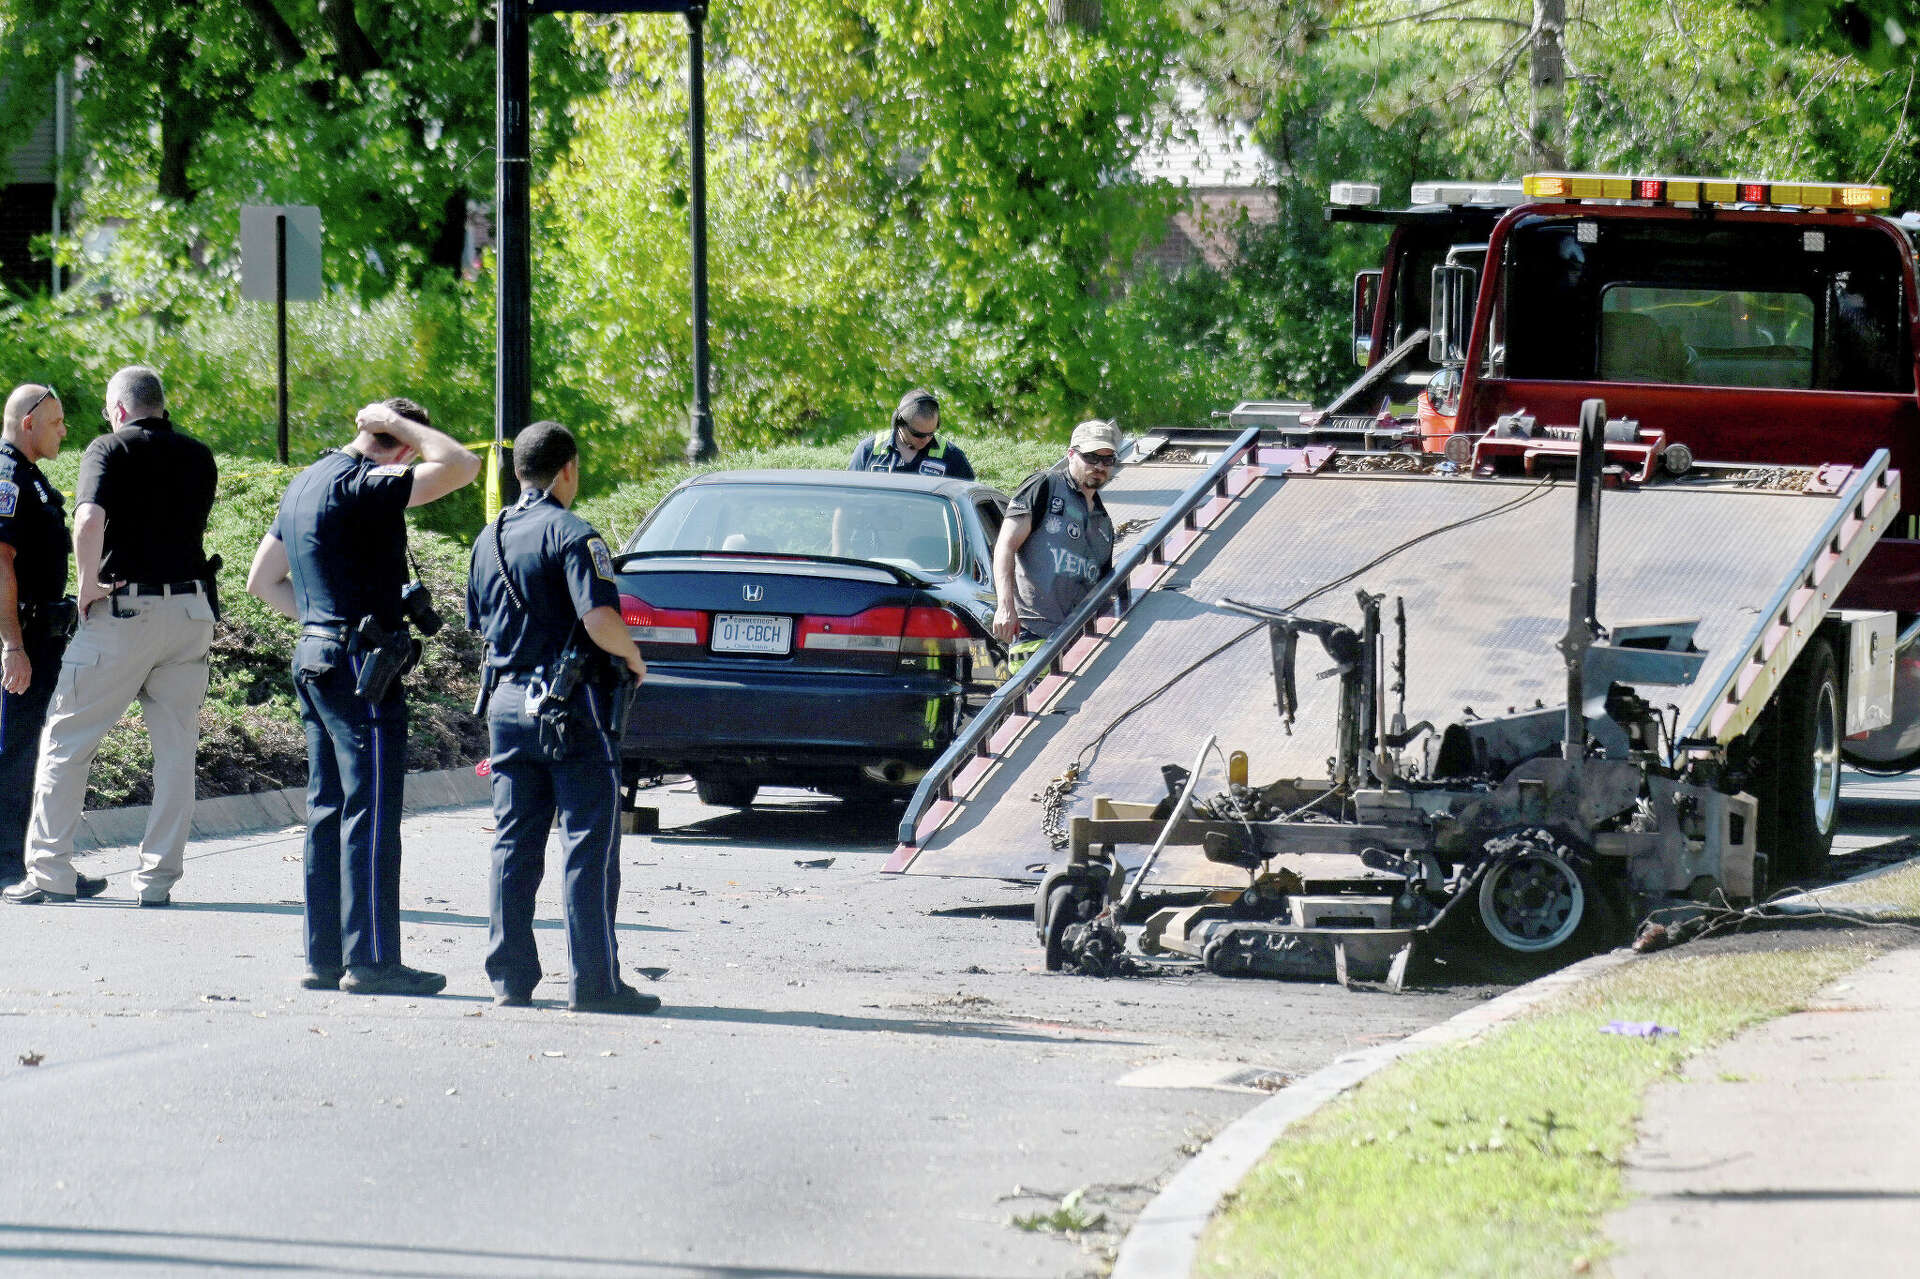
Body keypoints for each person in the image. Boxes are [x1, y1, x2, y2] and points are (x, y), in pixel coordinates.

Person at [246, 399, 480, 995]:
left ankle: (324, 957)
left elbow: (261, 582)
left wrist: (322, 623)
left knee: (327, 810)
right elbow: (461, 466)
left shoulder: (305, 482)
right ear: (400, 446)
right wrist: (400, 424)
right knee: (371, 810)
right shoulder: (369, 481)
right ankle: (372, 960)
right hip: (358, 664)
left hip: (315, 655)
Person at [6, 366, 217, 907]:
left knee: (67, 741)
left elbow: (88, 520)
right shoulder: (199, 456)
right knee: (175, 753)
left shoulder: (107, 449)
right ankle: (157, 880)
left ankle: (50, 871)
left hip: (126, 613)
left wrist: (86, 585)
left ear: (119, 410)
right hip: (192, 613)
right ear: (159, 405)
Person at [466, 421, 654, 1014]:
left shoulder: (487, 538)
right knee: (586, 843)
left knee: (514, 843)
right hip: (571, 706)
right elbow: (598, 617)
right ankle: (594, 983)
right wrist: (633, 657)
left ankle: (510, 979)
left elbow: (479, 623)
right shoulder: (575, 533)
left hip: (506, 705)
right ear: (568, 468)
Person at [0, 385, 73, 891]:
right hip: (21, 634)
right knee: (13, 749)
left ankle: (30, 862)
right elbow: (0, 563)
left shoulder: (32, 477)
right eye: (56, 421)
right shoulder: (6, 474)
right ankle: (6, 866)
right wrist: (13, 645)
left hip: (43, 632)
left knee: (30, 749)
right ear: (29, 422)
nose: (64, 430)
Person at [991, 419, 1121, 659]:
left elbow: (1102, 592)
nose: (1099, 466)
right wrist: (1005, 606)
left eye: (1107, 459)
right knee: (1041, 698)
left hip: (1079, 642)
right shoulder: (1044, 486)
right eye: (1091, 457)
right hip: (1034, 635)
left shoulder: (1104, 522)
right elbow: (1005, 546)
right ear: (1071, 454)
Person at [847, 388, 975, 480]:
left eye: (931, 433)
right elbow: (847, 499)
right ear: (899, 423)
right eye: (918, 434)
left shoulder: (952, 457)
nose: (925, 440)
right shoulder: (868, 451)